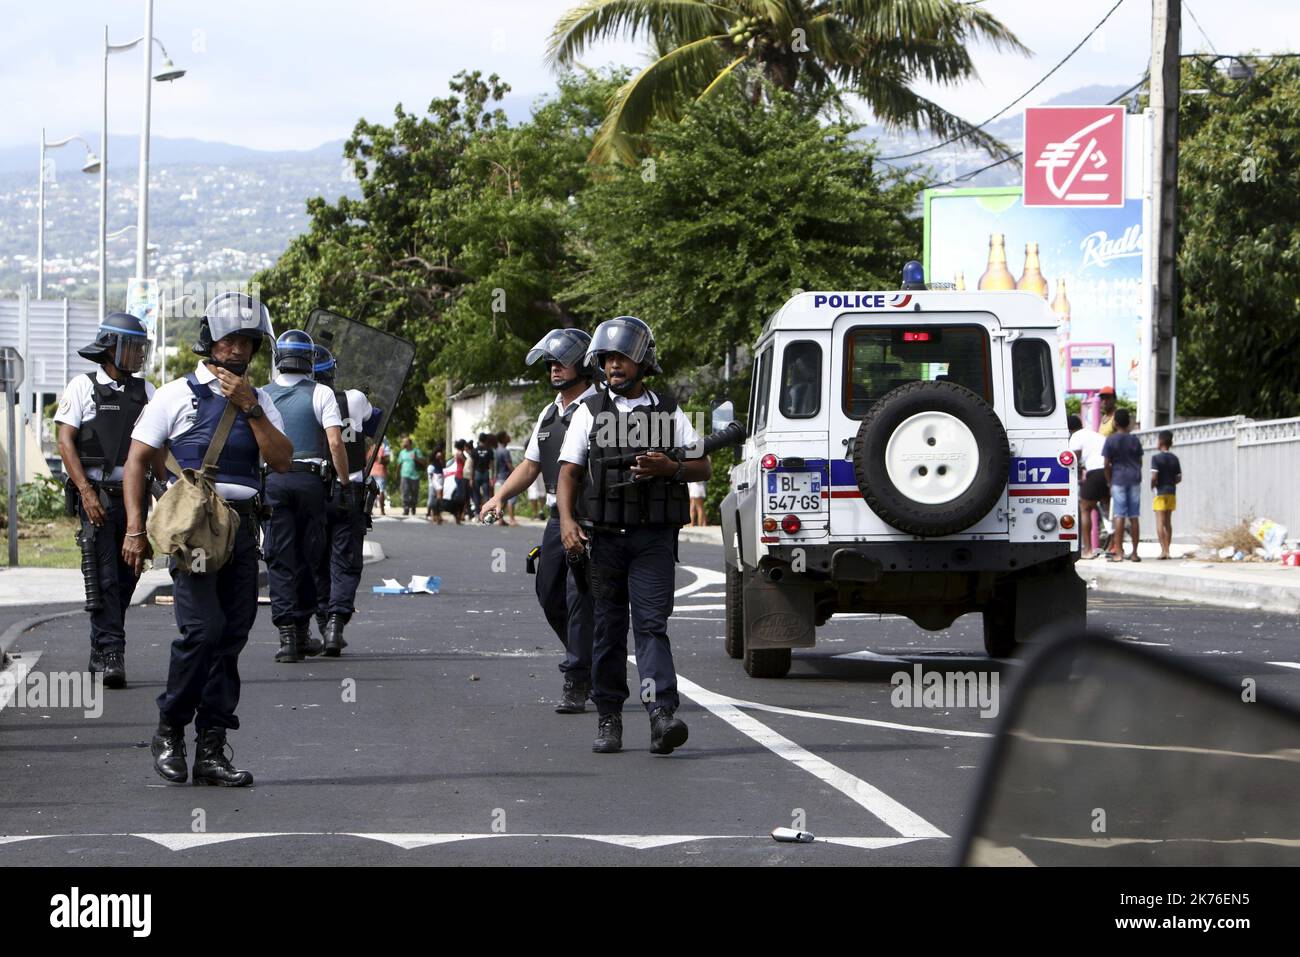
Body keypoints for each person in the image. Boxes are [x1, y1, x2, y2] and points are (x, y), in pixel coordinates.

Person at [123, 291, 292, 786]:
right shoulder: (175, 394)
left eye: (247, 342)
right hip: (194, 531)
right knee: (203, 632)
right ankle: (170, 729)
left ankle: (212, 749)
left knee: (232, 637)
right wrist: (135, 528)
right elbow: (137, 460)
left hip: (241, 529)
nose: (238, 350)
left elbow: (281, 460)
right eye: (229, 340)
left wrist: (252, 409)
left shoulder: (258, 401)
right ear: (210, 341)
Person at [556, 316, 711, 755]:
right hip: (604, 541)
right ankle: (608, 718)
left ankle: (661, 714)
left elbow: (703, 466)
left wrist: (670, 467)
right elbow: (568, 472)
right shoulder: (590, 412)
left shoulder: (669, 411)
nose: (613, 366)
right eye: (607, 359)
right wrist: (568, 523)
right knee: (607, 629)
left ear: (643, 362)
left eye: (622, 358)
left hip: (653, 541)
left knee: (651, 626)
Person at [481, 328, 596, 713]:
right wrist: (498, 496)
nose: (553, 369)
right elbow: (530, 466)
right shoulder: (550, 413)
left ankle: (577, 678)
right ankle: (591, 660)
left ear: (583, 363)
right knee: (549, 595)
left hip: (590, 519)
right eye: (550, 363)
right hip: (553, 518)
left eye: (561, 361)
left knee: (579, 598)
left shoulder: (601, 409)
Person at [54, 313, 156, 689]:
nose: (137, 356)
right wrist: (85, 491)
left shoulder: (147, 392)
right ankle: (113, 653)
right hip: (96, 495)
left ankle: (100, 647)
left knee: (129, 575)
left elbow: (156, 449)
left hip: (134, 498)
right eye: (131, 348)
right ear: (110, 349)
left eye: (140, 349)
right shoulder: (82, 387)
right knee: (104, 576)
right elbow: (65, 442)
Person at [261, 330, 352, 663]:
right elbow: (335, 443)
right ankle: (301, 630)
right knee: (310, 559)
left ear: (279, 358)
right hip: (310, 482)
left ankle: (288, 637)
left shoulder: (262, 393)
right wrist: (343, 484)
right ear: (310, 360)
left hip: (273, 480)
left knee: (279, 558)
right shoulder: (322, 392)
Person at [310, 345, 378, 655]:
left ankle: (324, 622)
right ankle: (336, 624)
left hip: (313, 493)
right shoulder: (355, 398)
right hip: (348, 490)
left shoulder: (299, 399)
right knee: (346, 562)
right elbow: (375, 423)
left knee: (317, 562)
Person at [1102, 407, 1143, 562]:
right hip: (1134, 479)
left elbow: (1106, 463)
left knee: (1119, 516)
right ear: (1128, 423)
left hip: (1118, 479)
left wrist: (1109, 481)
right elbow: (1140, 461)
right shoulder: (1135, 440)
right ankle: (1134, 553)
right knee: (1134, 516)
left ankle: (1118, 552)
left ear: (1116, 422)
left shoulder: (1111, 439)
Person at [1067, 413, 1106, 560]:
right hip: (1109, 472)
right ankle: (1116, 548)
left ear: (1070, 429)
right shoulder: (1095, 435)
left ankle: (1088, 550)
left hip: (1095, 471)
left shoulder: (1076, 436)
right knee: (1109, 509)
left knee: (1085, 508)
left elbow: (1072, 459)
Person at [1150, 430, 1182, 560]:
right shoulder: (1175, 458)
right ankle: (1168, 550)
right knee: (1168, 522)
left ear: (1161, 442)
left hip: (1160, 492)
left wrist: (1152, 486)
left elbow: (1154, 476)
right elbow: (1179, 478)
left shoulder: (1156, 458)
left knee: (1159, 522)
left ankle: (1163, 551)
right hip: (1171, 492)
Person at [396, 436, 425, 516]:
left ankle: (413, 507)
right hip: (404, 475)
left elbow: (423, 462)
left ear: (409, 443)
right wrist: (397, 474)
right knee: (405, 492)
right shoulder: (402, 452)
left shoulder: (416, 451)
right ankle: (406, 508)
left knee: (414, 493)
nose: (403, 443)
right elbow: (399, 464)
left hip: (415, 476)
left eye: (405, 442)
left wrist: (416, 458)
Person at [494, 431, 516, 526]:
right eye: (507, 435)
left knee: (501, 500)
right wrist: (516, 474)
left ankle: (500, 520)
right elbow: (509, 465)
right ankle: (511, 519)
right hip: (506, 478)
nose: (509, 437)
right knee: (511, 498)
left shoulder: (497, 450)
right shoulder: (505, 451)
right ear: (503, 438)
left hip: (499, 477)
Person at [426, 441, 446, 523]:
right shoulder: (440, 454)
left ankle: (432, 513)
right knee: (438, 496)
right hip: (438, 476)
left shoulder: (434, 454)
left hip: (436, 476)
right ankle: (436, 514)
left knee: (434, 495)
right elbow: (443, 465)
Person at [370, 439, 389, 516]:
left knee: (371, 491)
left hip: (372, 471)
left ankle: (369, 510)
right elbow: (382, 460)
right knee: (381, 491)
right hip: (380, 471)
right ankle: (382, 511)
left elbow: (367, 459)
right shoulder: (382, 448)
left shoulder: (371, 448)